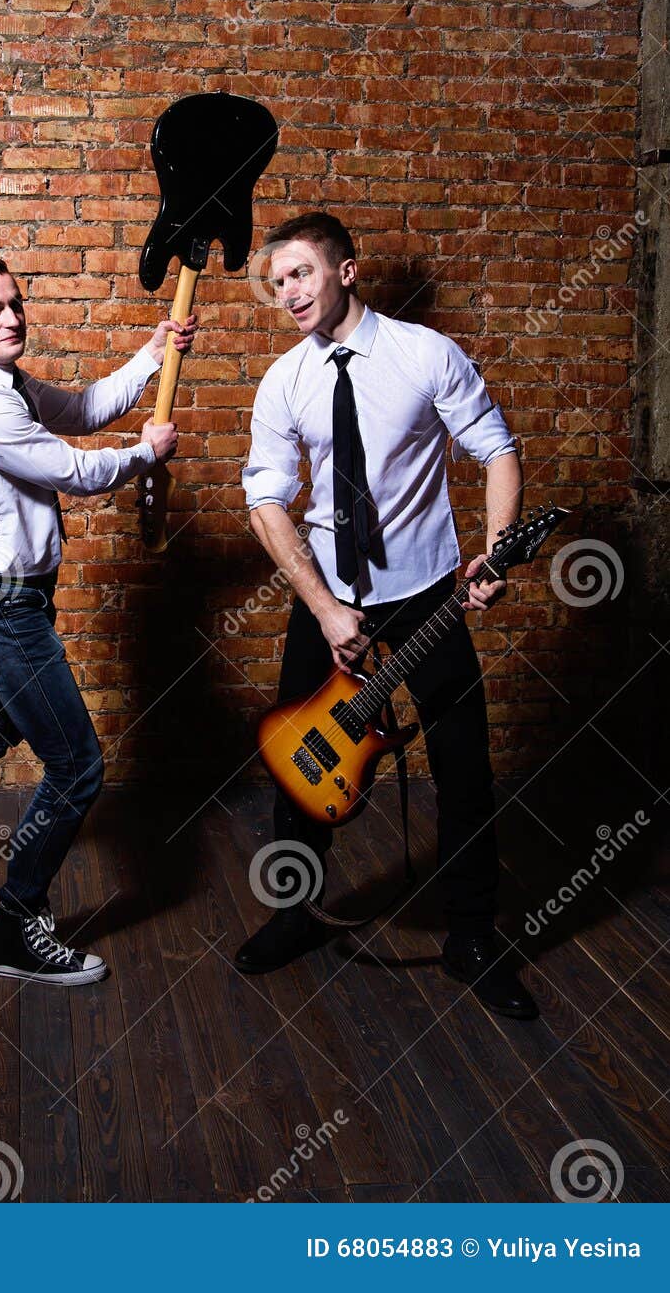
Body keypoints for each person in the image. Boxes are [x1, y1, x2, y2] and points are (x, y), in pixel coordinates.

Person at [235, 212, 537, 1020]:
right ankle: (294, 914)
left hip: (425, 591)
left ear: (346, 272)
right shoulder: (284, 380)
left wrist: (495, 552)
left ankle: (472, 938)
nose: (286, 291)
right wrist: (326, 609)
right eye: (277, 279)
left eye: (299, 273)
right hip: (329, 596)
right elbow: (264, 501)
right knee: (301, 772)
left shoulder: (422, 354)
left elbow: (495, 448)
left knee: (463, 769)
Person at [0, 250, 194, 987]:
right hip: (2, 608)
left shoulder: (7, 383)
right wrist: (143, 456)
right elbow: (72, 471)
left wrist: (149, 358)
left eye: (14, 303)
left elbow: (82, 409)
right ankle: (14, 928)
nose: (11, 317)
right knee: (77, 767)